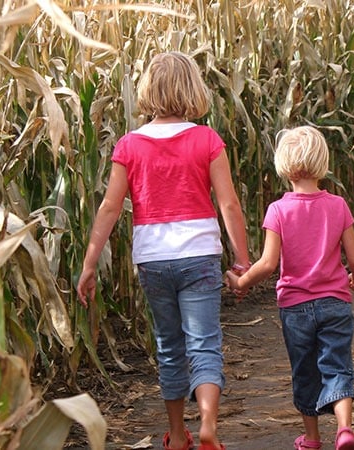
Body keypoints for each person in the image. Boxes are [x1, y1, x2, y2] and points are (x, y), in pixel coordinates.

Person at [76, 51, 250, 450]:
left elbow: (109, 206)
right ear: (193, 88)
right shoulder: (207, 140)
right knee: (204, 342)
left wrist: (89, 264)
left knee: (169, 346)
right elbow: (229, 205)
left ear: (148, 91)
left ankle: (175, 435)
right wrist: (242, 259)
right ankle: (208, 427)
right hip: (199, 255)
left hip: (153, 259)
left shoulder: (129, 144)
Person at [225, 125, 354, 450]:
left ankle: (312, 438)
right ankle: (344, 430)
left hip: (295, 308)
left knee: (305, 371)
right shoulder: (338, 205)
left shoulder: (278, 210)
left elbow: (268, 263)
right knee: (338, 365)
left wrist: (241, 281)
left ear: (284, 165)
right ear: (322, 163)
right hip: (335, 302)